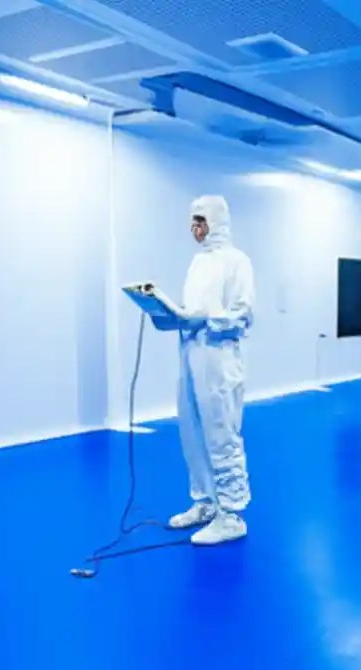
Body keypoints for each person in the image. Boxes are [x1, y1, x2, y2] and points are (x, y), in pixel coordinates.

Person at [155, 195, 255, 545]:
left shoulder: (236, 261)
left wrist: (207, 319)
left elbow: (243, 315)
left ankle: (232, 514)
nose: (194, 228)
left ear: (216, 221)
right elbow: (191, 309)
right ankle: (206, 502)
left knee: (221, 433)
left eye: (200, 220)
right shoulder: (197, 263)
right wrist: (171, 315)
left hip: (218, 360)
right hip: (190, 354)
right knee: (192, 430)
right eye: (192, 221)